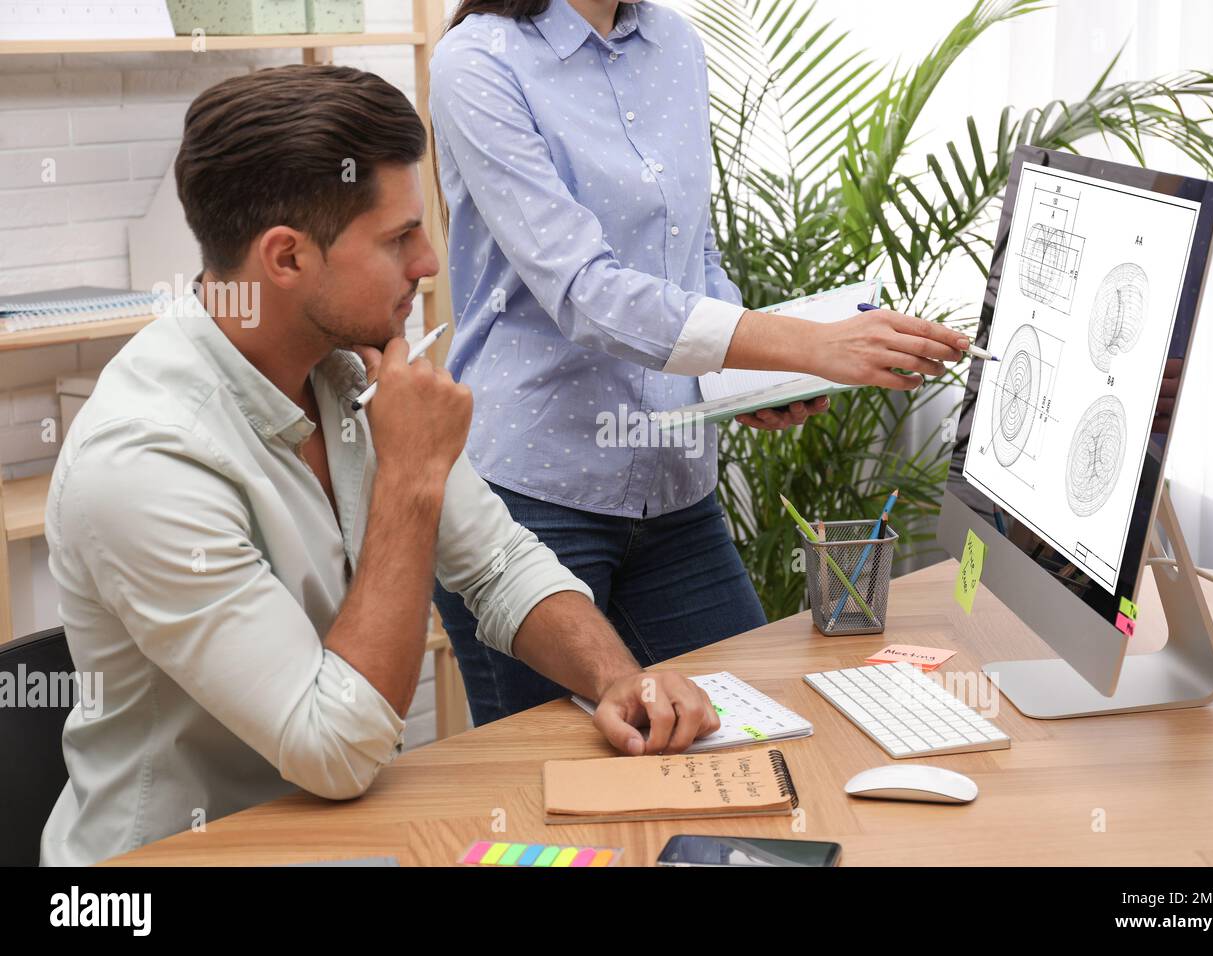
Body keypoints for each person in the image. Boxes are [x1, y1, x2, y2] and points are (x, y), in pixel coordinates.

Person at [39, 64, 720, 867]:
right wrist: (410, 478)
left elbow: (499, 566)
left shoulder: (346, 368)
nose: (430, 264)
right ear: (286, 259)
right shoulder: (142, 462)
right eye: (399, 238)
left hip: (345, 839)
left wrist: (615, 679)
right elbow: (334, 748)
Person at [428, 0, 971, 724]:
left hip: (675, 489)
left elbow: (693, 253)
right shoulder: (479, 61)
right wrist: (808, 344)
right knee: (552, 787)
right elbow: (585, 293)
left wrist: (750, 380)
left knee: (758, 730)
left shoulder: (673, 43)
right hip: (531, 500)